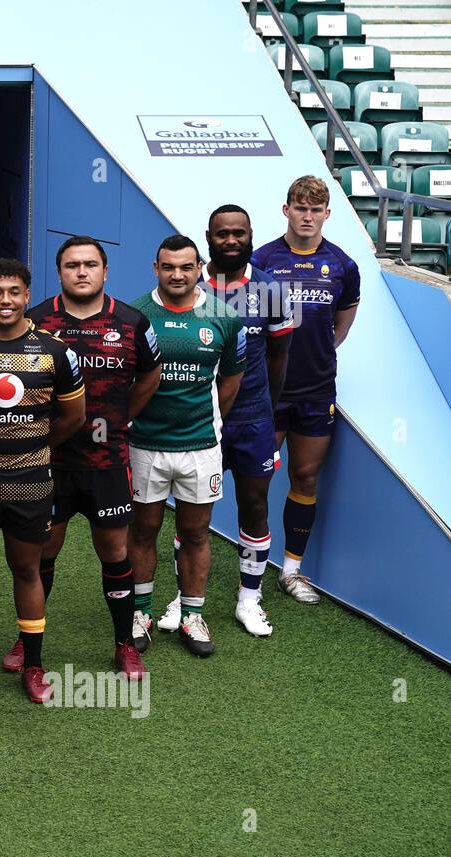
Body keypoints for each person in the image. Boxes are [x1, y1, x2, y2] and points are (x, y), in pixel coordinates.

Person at [28, 237, 162, 679]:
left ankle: (125, 644)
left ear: (105, 270)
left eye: (90, 264)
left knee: (114, 550)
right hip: (49, 461)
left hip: (107, 461)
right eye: (71, 265)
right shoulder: (36, 323)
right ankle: (28, 639)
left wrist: (122, 416)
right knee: (43, 550)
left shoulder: (131, 320)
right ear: (59, 272)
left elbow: (149, 376)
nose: (81, 272)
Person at [159, 206, 295, 638]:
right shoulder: (187, 285)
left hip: (253, 419)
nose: (231, 240)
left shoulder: (270, 289)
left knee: (255, 506)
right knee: (193, 518)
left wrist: (268, 413)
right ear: (208, 237)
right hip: (198, 420)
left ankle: (248, 600)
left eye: (239, 233)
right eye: (222, 234)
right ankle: (185, 598)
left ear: (251, 235)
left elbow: (279, 356)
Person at [0, 259, 85, 704]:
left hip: (33, 483)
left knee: (27, 570)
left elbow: (74, 416)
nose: (5, 301)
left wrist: (35, 444)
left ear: (27, 294)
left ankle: (33, 666)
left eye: (14, 292)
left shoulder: (55, 351)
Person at [128, 236, 245, 657]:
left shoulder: (224, 317)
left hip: (200, 445)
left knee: (195, 532)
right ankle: (140, 611)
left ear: (201, 268)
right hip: (144, 444)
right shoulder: (135, 315)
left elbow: (230, 383)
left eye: (186, 266)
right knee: (143, 530)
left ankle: (192, 614)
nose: (177, 274)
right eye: (168, 266)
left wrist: (206, 421)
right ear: (155, 268)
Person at [251, 175, 360, 605]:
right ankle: (251, 570)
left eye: (316, 209)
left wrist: (315, 353)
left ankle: (291, 570)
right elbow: (246, 325)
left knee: (305, 476)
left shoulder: (343, 266)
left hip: (316, 391)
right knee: (254, 479)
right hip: (267, 392)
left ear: (327, 214)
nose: (308, 216)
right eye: (300, 207)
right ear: (286, 210)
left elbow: (341, 324)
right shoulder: (262, 261)